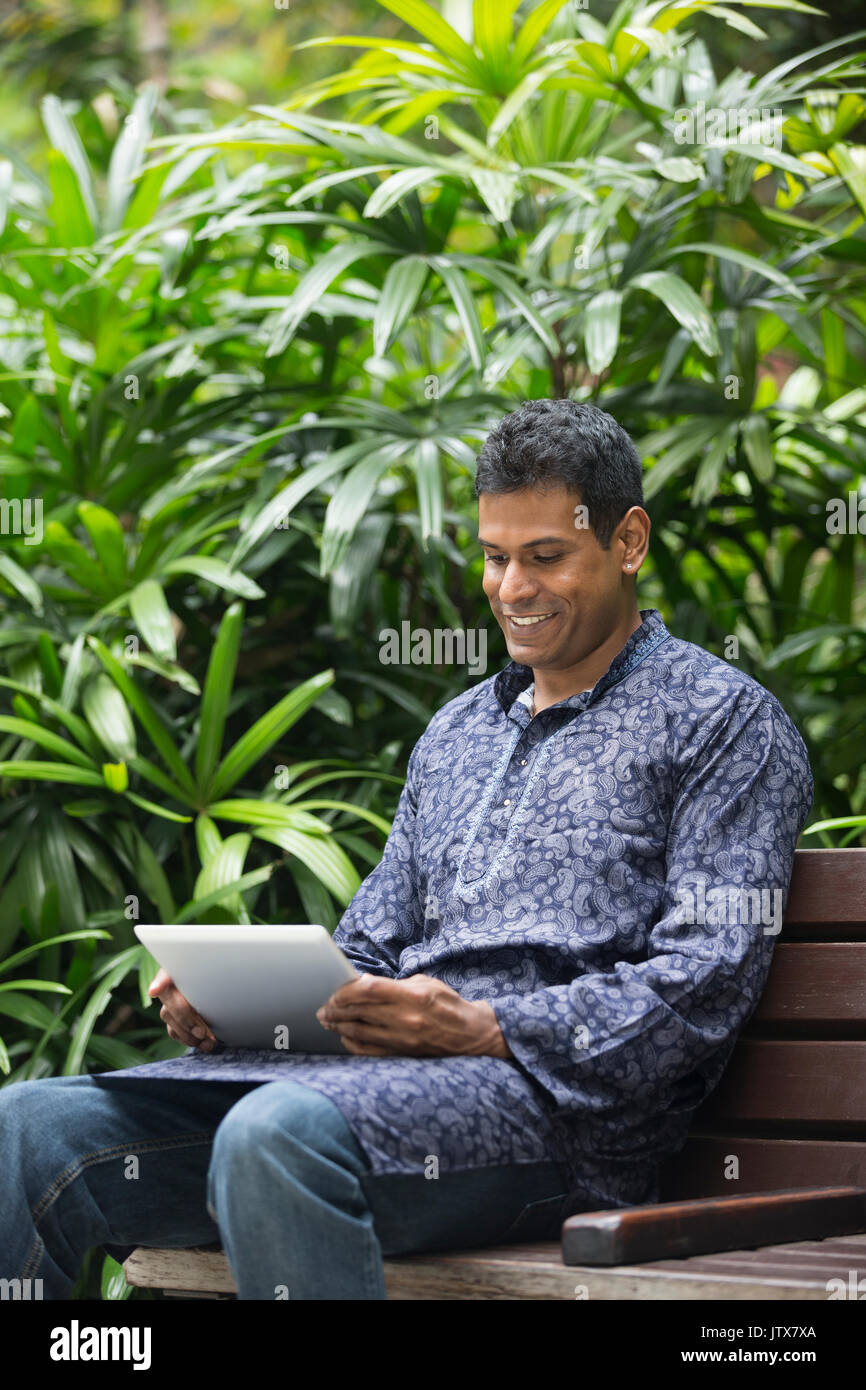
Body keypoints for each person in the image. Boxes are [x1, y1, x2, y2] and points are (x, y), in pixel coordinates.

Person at [0, 399, 813, 1300]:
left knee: (275, 1136)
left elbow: (705, 982)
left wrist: (487, 1029)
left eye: (546, 557)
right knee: (32, 1125)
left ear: (626, 541)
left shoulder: (724, 723)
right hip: (364, 1097)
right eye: (495, 558)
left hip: (563, 1128)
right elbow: (370, 946)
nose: (513, 588)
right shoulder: (458, 730)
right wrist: (241, 1006)